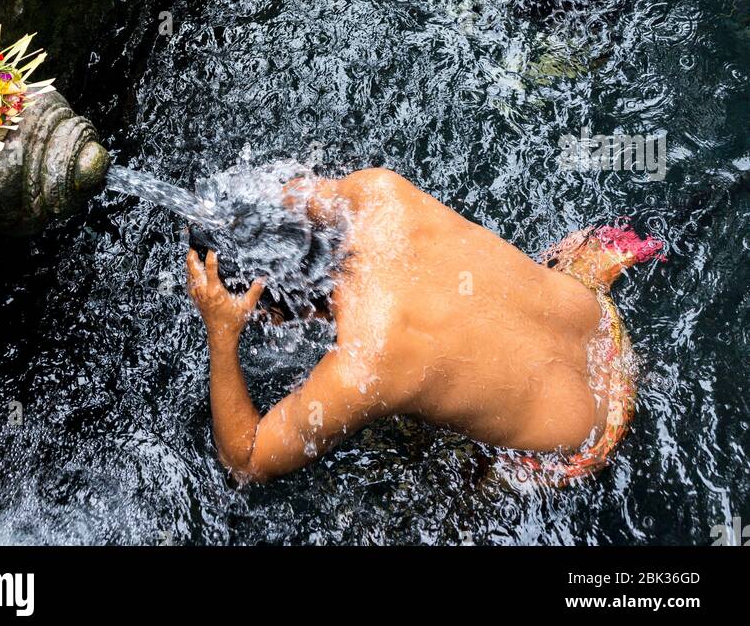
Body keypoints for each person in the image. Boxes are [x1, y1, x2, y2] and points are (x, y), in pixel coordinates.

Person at [186, 166, 663, 485]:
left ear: (267, 309)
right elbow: (303, 197)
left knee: (441, 490)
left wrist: (222, 333)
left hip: (587, 442)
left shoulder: (364, 365)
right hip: (600, 320)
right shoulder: (378, 192)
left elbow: (244, 461)